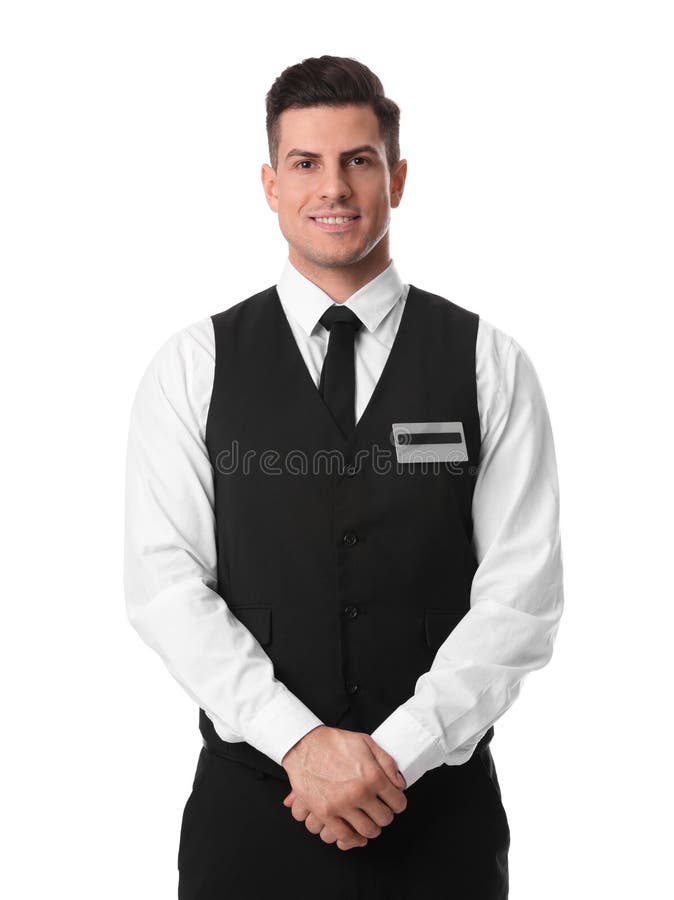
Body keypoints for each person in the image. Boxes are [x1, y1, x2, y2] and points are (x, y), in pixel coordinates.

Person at [124, 54, 564, 900]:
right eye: (306, 162)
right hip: (252, 817)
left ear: (395, 177)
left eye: (358, 160)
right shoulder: (192, 366)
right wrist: (301, 744)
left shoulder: (487, 364)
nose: (334, 186)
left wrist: (392, 755)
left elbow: (522, 595)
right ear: (269, 183)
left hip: (438, 817)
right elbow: (164, 586)